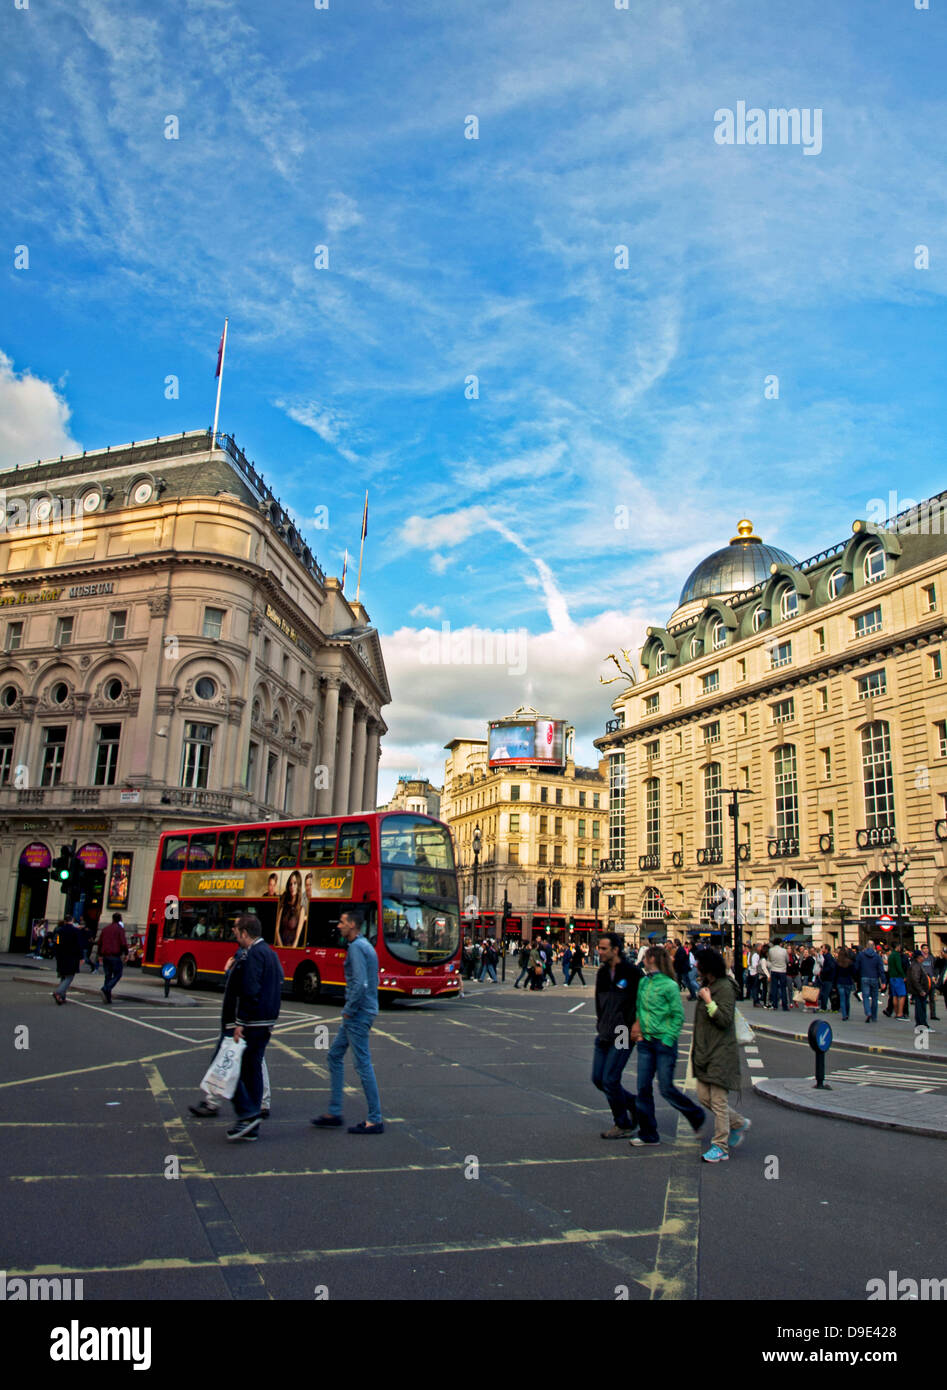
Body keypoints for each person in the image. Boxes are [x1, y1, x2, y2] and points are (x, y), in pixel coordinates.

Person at [312, 908, 383, 1134]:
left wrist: (349, 1010)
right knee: (334, 1056)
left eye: (342, 922)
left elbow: (361, 984)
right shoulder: (365, 946)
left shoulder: (356, 948)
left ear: (352, 925)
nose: (339, 926)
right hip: (362, 1011)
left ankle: (375, 1118)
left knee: (362, 1065)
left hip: (358, 1013)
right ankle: (334, 1111)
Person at [630, 944, 705, 1148]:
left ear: (652, 959)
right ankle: (648, 1133)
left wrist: (668, 1038)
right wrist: (638, 1027)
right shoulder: (644, 982)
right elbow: (639, 1007)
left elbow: (677, 1016)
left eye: (645, 957)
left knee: (666, 1088)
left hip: (663, 1042)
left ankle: (696, 1115)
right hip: (646, 1042)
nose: (642, 959)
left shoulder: (669, 985)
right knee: (643, 1087)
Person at [689, 948, 749, 1163]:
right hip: (707, 1050)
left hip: (721, 1051)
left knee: (719, 1100)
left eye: (699, 963)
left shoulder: (724, 988)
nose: (696, 966)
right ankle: (738, 1122)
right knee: (704, 1097)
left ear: (708, 967)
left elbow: (723, 1019)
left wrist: (708, 1001)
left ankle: (720, 1146)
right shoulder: (709, 985)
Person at [227, 914, 283, 1141]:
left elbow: (250, 990)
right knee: (255, 1069)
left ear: (245, 933)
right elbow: (279, 982)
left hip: (254, 1022)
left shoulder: (253, 954)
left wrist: (241, 1022)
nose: (235, 934)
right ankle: (253, 1122)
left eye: (237, 931)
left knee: (244, 1071)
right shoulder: (270, 953)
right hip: (267, 1021)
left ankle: (248, 1117)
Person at [592, 932, 641, 1139]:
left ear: (615, 950)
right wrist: (600, 1022)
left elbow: (642, 1001)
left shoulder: (632, 972)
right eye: (599, 948)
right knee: (598, 1078)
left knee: (611, 1079)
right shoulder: (602, 973)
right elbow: (599, 1001)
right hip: (604, 1030)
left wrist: (637, 1023)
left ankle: (622, 1123)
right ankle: (633, 1103)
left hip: (622, 1031)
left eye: (603, 948)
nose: (599, 951)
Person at [95, 912, 129, 1005]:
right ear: (120, 919)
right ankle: (106, 988)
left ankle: (108, 997)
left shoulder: (105, 929)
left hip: (105, 955)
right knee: (118, 974)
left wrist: (99, 955)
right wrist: (126, 953)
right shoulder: (120, 929)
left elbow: (100, 943)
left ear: (112, 919)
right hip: (115, 955)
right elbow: (123, 943)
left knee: (108, 975)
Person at [51, 915, 83, 1005]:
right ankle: (58, 992)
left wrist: (56, 953)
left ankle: (62, 996)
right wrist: (81, 957)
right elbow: (79, 945)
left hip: (61, 956)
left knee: (63, 975)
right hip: (72, 956)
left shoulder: (59, 931)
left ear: (65, 921)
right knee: (69, 976)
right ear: (72, 921)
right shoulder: (76, 931)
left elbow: (56, 943)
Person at [855, 939, 885, 1022]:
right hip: (874, 978)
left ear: (866, 946)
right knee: (875, 998)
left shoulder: (861, 955)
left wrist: (858, 975)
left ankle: (868, 1012)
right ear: (874, 947)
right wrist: (883, 981)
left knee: (866, 997)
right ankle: (874, 1016)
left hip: (864, 977)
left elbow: (856, 967)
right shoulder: (877, 956)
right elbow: (881, 969)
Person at [276, 870, 306, 948]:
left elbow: (297, 937)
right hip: (280, 946)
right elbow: (277, 930)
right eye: (290, 884)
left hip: (293, 948)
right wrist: (281, 948)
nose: (292, 886)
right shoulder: (283, 905)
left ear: (298, 885)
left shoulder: (301, 909)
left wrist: (291, 950)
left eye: (295, 883)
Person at [907, 951, 931, 1030]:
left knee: (920, 1007)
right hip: (919, 990)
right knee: (921, 1008)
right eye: (922, 956)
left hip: (920, 989)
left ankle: (921, 1024)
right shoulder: (916, 966)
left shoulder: (917, 965)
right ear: (919, 957)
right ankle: (922, 1024)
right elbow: (915, 979)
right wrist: (921, 990)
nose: (923, 957)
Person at [883, 943, 907, 1019]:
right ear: (897, 947)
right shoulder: (896, 955)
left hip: (892, 977)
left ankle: (896, 1012)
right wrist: (904, 975)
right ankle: (900, 1013)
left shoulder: (890, 955)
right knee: (902, 995)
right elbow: (899, 966)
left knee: (894, 996)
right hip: (898, 977)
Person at [768, 938, 789, 1012]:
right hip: (782, 970)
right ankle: (785, 1005)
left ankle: (775, 1005)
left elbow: (770, 959)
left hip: (774, 970)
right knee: (783, 988)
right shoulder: (784, 950)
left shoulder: (771, 950)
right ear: (780, 943)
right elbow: (787, 960)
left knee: (774, 988)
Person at [835, 944, 856, 1021]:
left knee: (842, 999)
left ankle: (844, 1015)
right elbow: (853, 973)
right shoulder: (850, 962)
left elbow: (835, 973)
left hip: (840, 981)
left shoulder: (838, 962)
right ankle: (847, 1013)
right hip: (848, 981)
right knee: (847, 999)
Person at [919, 945, 939, 1022]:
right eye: (924, 948)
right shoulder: (920, 958)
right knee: (923, 998)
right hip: (924, 981)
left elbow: (935, 967)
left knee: (932, 999)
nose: (926, 950)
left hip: (932, 980)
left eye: (927, 948)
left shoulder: (931, 958)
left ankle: (933, 1014)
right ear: (921, 950)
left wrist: (935, 976)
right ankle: (923, 1014)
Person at [817, 944, 837, 1012]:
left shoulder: (828, 957)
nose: (821, 949)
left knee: (825, 993)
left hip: (828, 978)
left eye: (823, 948)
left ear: (826, 949)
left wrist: (823, 971)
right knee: (829, 993)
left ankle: (823, 1007)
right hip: (828, 977)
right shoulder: (827, 956)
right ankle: (834, 1007)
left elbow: (831, 967)